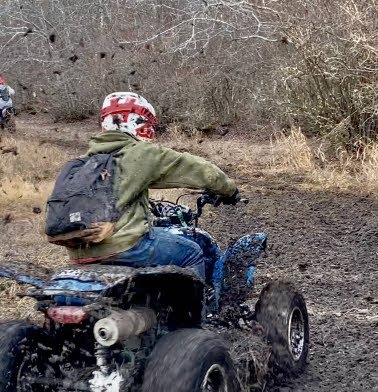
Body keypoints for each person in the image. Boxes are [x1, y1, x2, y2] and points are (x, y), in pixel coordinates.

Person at [51, 91, 238, 282]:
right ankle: (197, 311)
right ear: (137, 122)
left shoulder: (83, 163)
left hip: (79, 253)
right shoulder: (141, 153)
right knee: (193, 252)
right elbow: (200, 170)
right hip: (124, 247)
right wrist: (229, 190)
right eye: (148, 124)